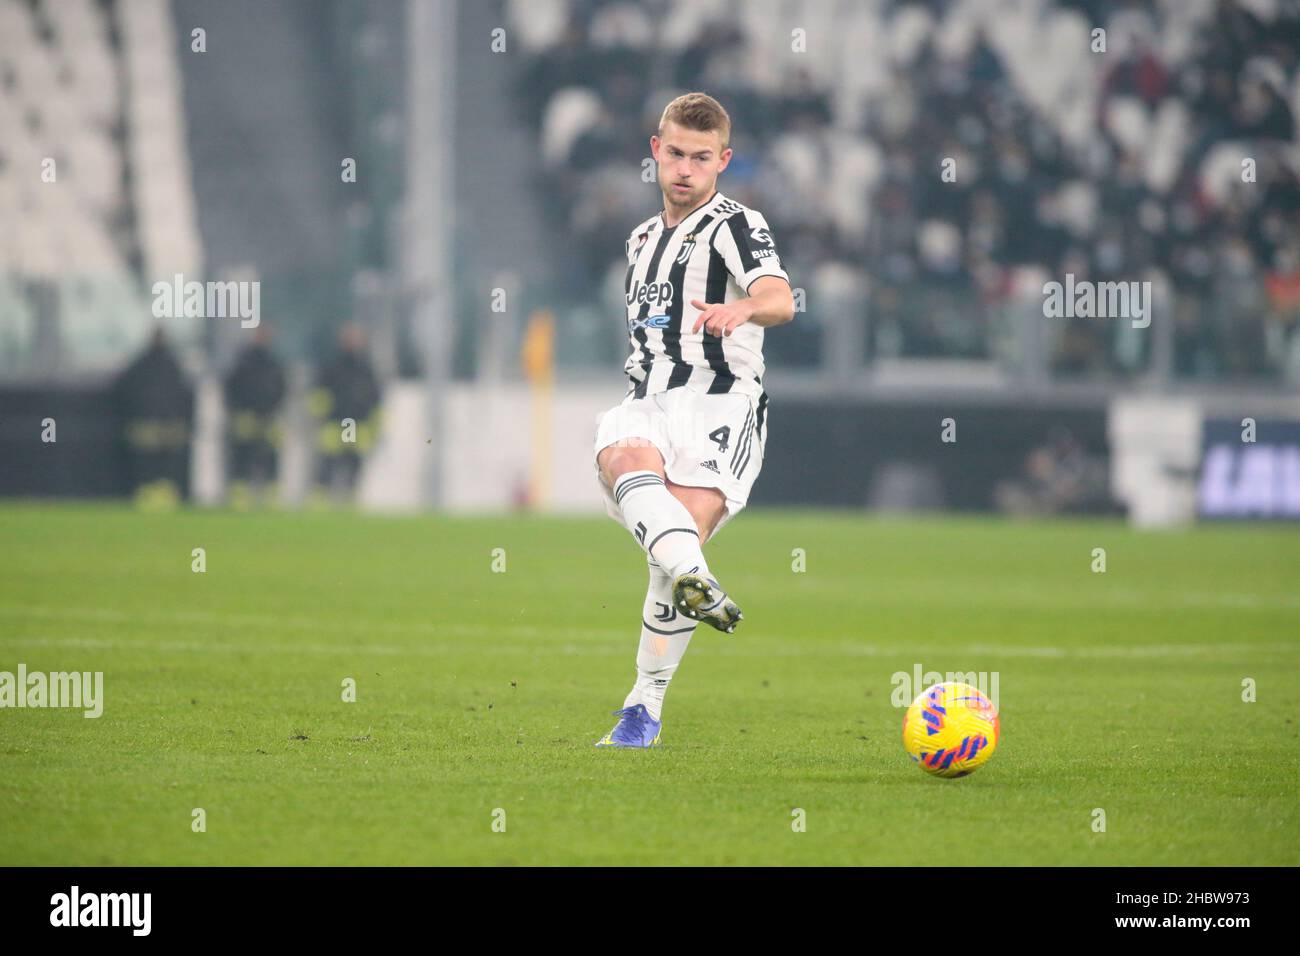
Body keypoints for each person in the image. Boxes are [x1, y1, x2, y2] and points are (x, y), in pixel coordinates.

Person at [592, 93, 795, 748]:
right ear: (656, 149)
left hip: (721, 403)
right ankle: (696, 580)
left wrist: (743, 312)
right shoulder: (642, 239)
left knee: (673, 550)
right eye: (675, 153)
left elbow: (779, 297)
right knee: (623, 456)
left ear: (723, 162)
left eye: (701, 158)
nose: (685, 169)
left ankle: (643, 708)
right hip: (650, 399)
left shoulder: (736, 224)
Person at [114, 327, 193, 506]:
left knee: (146, 460)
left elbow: (124, 386)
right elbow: (181, 393)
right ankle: (163, 495)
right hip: (166, 423)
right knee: (165, 461)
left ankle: (148, 494)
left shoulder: (142, 363)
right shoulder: (172, 363)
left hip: (147, 421)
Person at [312, 323, 381, 503]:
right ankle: (320, 502)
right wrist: (322, 417)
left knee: (353, 463)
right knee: (328, 462)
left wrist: (375, 424)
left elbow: (375, 397)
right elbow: (319, 393)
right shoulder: (332, 365)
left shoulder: (365, 367)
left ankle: (349, 501)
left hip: (357, 424)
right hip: (335, 423)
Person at [225, 325, 286, 507]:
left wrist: (274, 410)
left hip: (269, 418)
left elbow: (282, 389)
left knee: (270, 458)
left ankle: (269, 499)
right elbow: (231, 389)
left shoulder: (274, 362)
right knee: (243, 456)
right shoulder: (244, 362)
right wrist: (239, 412)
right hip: (247, 419)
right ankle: (239, 499)